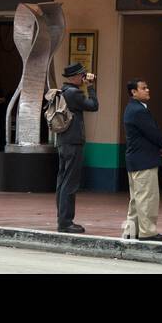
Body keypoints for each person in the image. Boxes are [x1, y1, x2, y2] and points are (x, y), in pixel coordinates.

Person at [123, 79, 162, 241]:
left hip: (135, 159)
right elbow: (153, 133)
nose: (148, 90)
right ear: (134, 92)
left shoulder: (131, 108)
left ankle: (131, 230)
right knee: (147, 198)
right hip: (144, 160)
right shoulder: (139, 111)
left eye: (147, 87)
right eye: (143, 88)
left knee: (136, 199)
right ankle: (147, 231)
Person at [54, 62, 98, 234]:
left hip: (63, 141)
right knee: (70, 183)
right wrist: (91, 87)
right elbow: (93, 106)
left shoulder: (63, 91)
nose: (84, 77)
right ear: (73, 77)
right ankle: (65, 222)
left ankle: (62, 219)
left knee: (62, 181)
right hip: (73, 142)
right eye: (82, 75)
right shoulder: (74, 93)